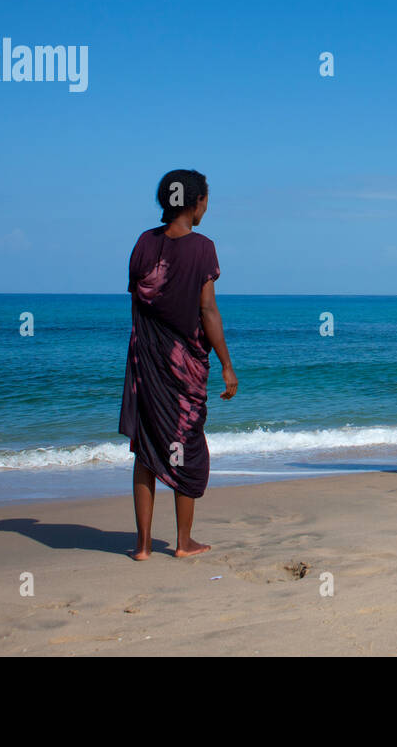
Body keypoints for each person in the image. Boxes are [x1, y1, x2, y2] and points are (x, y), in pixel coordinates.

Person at [119, 169, 238, 559]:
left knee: (146, 449)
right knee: (185, 445)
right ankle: (183, 542)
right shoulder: (202, 247)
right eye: (205, 199)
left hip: (144, 363)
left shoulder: (142, 243)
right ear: (196, 202)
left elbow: (139, 301)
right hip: (183, 365)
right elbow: (207, 309)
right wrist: (226, 363)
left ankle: (141, 545)